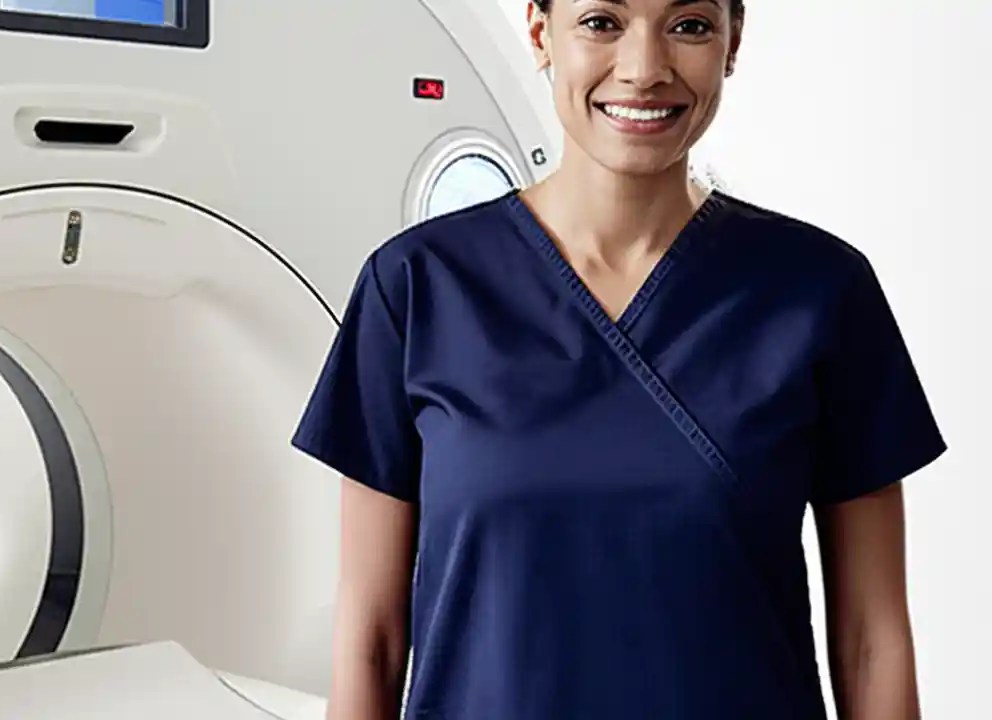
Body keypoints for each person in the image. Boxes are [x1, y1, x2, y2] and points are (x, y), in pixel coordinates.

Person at [289, 0, 947, 717]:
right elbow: (371, 641)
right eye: (602, 22)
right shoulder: (418, 288)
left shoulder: (820, 293)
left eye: (689, 25)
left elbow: (870, 640)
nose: (643, 70)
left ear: (733, 41)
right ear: (542, 34)